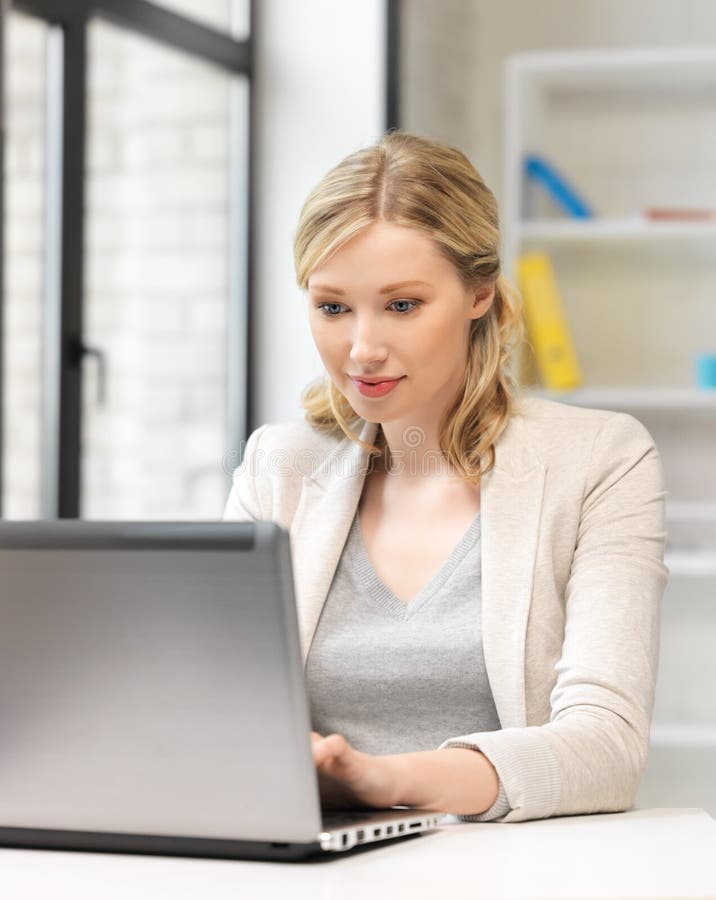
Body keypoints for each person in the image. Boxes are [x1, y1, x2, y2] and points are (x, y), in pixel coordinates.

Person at [223, 131, 668, 823]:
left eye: (402, 305)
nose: (362, 349)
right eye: (333, 307)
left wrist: (380, 779)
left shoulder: (601, 460)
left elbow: (606, 748)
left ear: (479, 294)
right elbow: (220, 711)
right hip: (311, 865)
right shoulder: (277, 468)